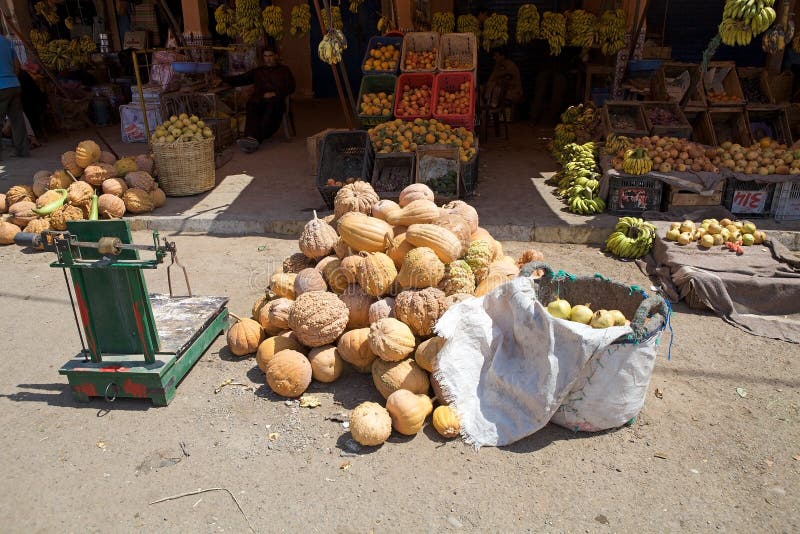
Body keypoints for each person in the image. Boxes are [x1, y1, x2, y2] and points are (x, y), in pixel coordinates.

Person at [223, 48, 295, 153]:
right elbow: (242, 79)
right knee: (251, 105)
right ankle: (250, 138)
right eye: (265, 56)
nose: (268, 59)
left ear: (276, 56)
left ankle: (254, 139)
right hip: (259, 100)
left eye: (270, 56)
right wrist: (223, 79)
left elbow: (291, 87)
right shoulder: (259, 71)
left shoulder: (284, 70)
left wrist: (275, 93)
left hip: (276, 101)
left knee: (270, 110)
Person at [0, 33, 29, 159]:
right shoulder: (7, 42)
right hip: (14, 84)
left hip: (1, 87)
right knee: (17, 119)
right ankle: (22, 151)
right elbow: (17, 66)